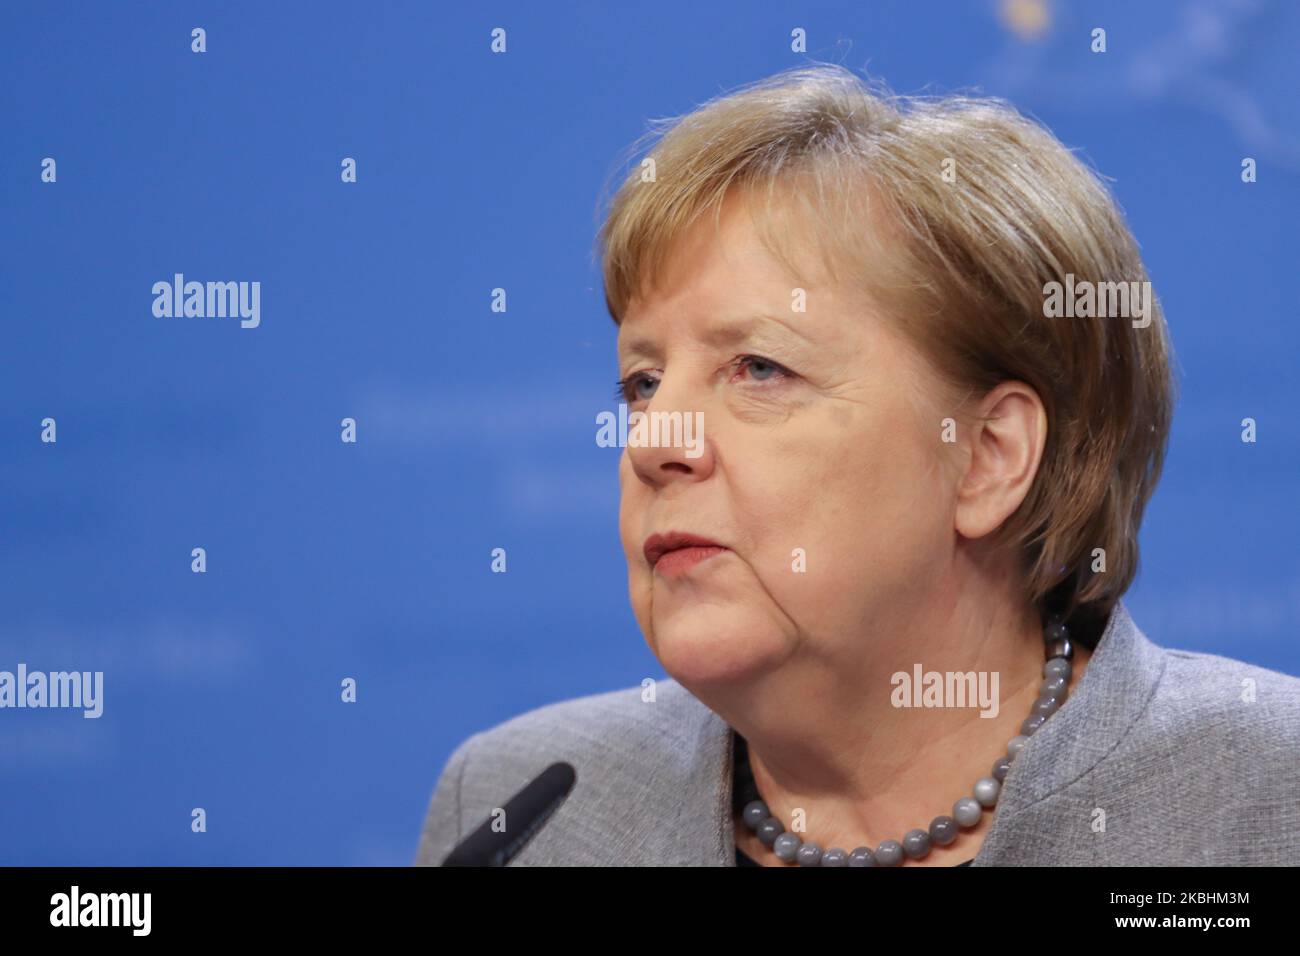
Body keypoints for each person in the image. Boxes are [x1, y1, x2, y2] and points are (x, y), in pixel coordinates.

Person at [414, 64, 1300, 866]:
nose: (651, 443)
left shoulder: (1263, 798)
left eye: (759, 368)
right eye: (641, 383)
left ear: (987, 460)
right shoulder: (519, 812)